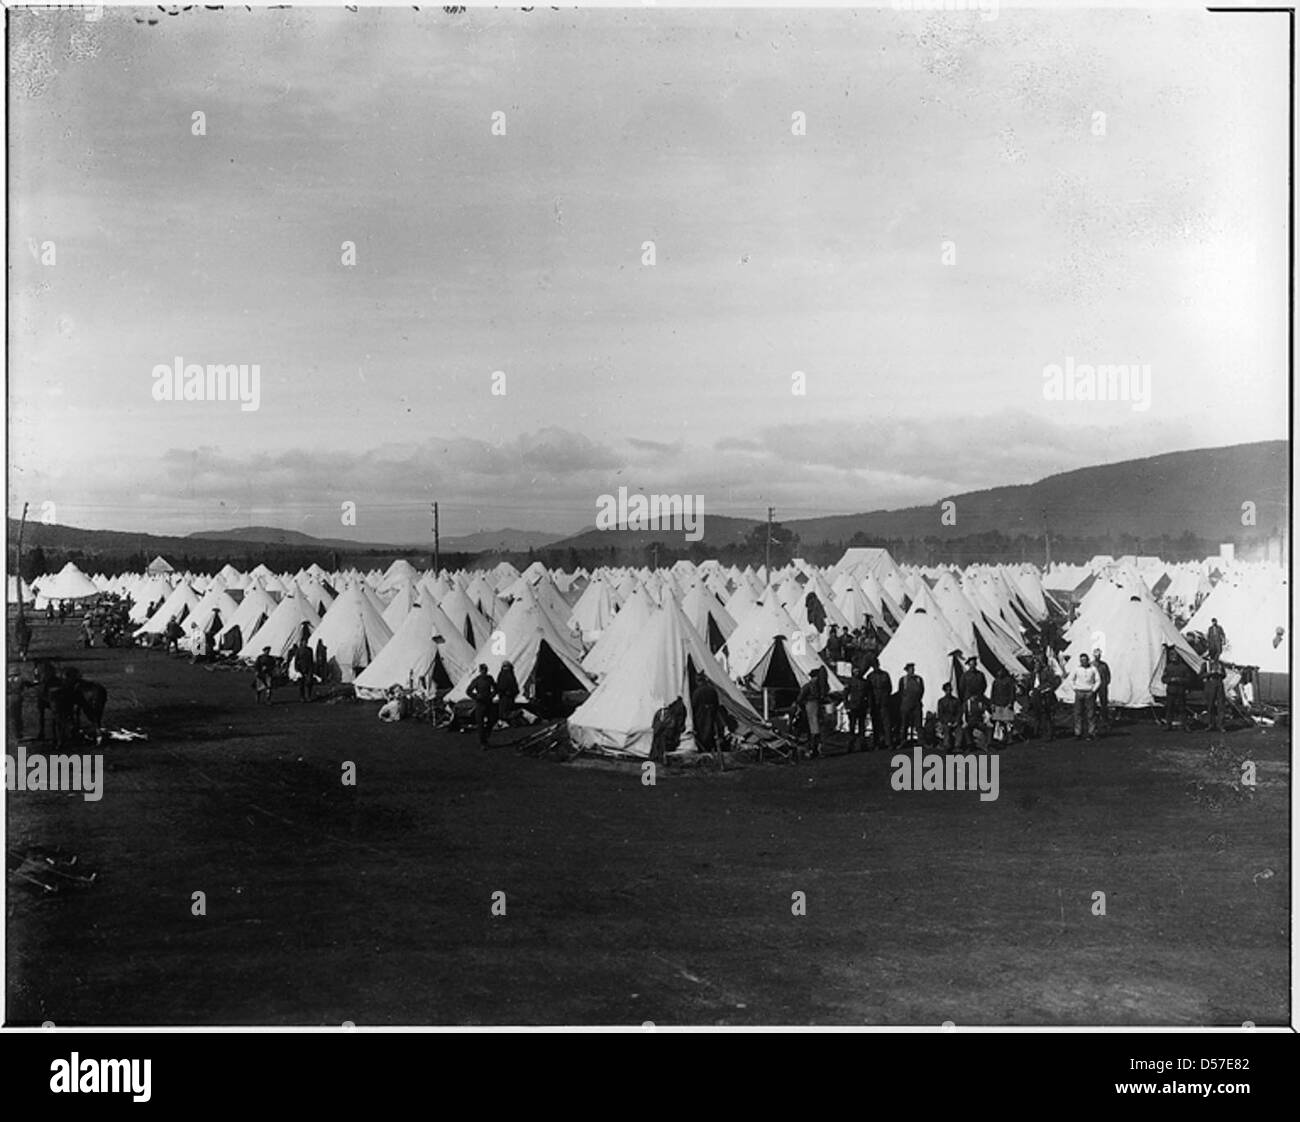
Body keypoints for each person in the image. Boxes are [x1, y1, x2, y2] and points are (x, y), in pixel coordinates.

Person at [794, 666, 829, 760]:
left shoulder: (813, 686)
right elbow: (800, 698)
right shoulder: (810, 686)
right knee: (814, 727)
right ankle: (814, 749)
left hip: (813, 706)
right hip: (811, 706)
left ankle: (815, 749)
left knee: (815, 727)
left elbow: (800, 698)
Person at [1069, 652, 1100, 740]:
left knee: (1091, 713)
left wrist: (1093, 690)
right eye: (1081, 660)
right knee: (1078, 713)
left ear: (1088, 660)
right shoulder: (1077, 669)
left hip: (1089, 693)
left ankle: (1091, 733)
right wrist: (1075, 689)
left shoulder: (1093, 669)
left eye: (1085, 660)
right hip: (1079, 692)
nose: (1083, 662)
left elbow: (1098, 680)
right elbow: (1071, 680)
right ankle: (1078, 733)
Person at [466, 664, 498, 748]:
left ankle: (486, 735)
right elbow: (468, 691)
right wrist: (476, 696)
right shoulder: (477, 680)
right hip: (480, 703)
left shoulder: (489, 679)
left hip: (488, 702)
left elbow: (495, 688)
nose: (484, 671)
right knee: (480, 723)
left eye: (485, 670)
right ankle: (482, 742)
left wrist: (492, 695)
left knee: (492, 720)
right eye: (483, 670)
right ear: (480, 671)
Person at [865, 659, 894, 751]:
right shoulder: (869, 677)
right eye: (874, 665)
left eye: (876, 664)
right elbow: (868, 691)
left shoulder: (885, 675)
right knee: (876, 723)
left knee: (887, 723)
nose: (876, 666)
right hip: (874, 703)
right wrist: (870, 703)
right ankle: (877, 743)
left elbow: (889, 688)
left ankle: (888, 742)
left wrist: (885, 697)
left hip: (884, 702)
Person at [1161, 647, 1190, 730]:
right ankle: (1168, 725)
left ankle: (1184, 725)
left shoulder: (1184, 667)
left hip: (1181, 690)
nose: (1173, 657)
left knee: (1182, 709)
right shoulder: (1168, 667)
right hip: (1171, 690)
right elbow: (1163, 679)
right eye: (1171, 655)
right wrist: (1170, 680)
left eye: (1175, 655)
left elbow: (1188, 679)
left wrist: (1180, 680)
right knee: (1169, 708)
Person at [690, 678, 721, 754]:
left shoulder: (697, 692)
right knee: (709, 730)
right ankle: (709, 748)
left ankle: (703, 749)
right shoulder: (712, 690)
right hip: (711, 713)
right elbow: (717, 703)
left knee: (701, 731)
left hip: (700, 714)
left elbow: (693, 704)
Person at [844, 665, 869, 753]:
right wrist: (846, 705)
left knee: (862, 726)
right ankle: (850, 745)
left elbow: (868, 695)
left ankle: (862, 744)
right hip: (853, 706)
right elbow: (845, 694)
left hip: (862, 706)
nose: (857, 673)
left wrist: (868, 705)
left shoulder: (865, 682)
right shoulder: (850, 682)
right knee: (852, 726)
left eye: (858, 671)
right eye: (855, 672)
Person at [1031, 659, 1059, 741]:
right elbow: (1030, 684)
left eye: (1037, 665)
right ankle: (1038, 732)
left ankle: (1049, 734)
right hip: (1036, 697)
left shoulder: (1045, 673)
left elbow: (1051, 683)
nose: (1036, 667)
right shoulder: (1033, 675)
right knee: (1038, 715)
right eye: (1035, 665)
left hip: (1046, 697)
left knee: (1047, 716)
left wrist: (1041, 688)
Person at [898, 662, 925, 745]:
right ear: (907, 670)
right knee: (904, 723)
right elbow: (900, 691)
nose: (912, 670)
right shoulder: (903, 680)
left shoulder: (919, 679)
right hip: (906, 704)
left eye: (913, 669)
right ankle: (903, 740)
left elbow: (922, 691)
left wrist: (918, 699)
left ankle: (921, 741)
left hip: (916, 703)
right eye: (910, 669)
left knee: (918, 723)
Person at [989, 666, 1016, 745]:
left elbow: (1012, 693)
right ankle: (1003, 737)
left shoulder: (1009, 681)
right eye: (998, 672)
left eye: (1000, 671)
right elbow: (993, 693)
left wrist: (1011, 702)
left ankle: (1010, 738)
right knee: (1000, 722)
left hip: (1006, 703)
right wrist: (992, 703)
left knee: (1008, 722)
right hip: (998, 703)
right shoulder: (996, 681)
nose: (999, 673)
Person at [1202, 654, 1227, 732]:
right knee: (1210, 705)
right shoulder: (1205, 664)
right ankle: (1210, 724)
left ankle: (1221, 725)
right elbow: (1200, 675)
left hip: (1219, 684)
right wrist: (1210, 673)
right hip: (1210, 684)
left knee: (1221, 705)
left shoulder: (1220, 664)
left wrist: (1220, 673)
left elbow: (1224, 675)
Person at [935, 681, 961, 753]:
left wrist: (956, 721)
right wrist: (946, 722)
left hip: (954, 721)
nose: (948, 692)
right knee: (947, 729)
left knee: (959, 729)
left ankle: (957, 746)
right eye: (947, 690)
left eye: (950, 690)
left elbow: (959, 712)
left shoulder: (956, 701)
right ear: (944, 691)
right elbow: (940, 714)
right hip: (946, 721)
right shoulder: (941, 701)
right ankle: (947, 746)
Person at [1091, 649, 1111, 734]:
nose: (1097, 657)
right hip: (1094, 685)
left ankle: (1104, 720)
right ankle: (1093, 720)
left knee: (1104, 703)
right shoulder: (1091, 665)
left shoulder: (1104, 665)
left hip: (1102, 686)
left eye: (1099, 655)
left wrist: (1106, 682)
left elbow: (1108, 675)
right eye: (1096, 655)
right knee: (1092, 702)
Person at [293, 637, 316, 702]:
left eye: (306, 642)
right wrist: (296, 669)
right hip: (301, 668)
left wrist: (312, 668)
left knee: (309, 683)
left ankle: (308, 696)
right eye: (304, 642)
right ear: (301, 642)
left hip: (309, 668)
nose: (305, 643)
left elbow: (311, 659)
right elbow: (296, 660)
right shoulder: (299, 650)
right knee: (301, 684)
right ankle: (302, 697)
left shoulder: (310, 650)